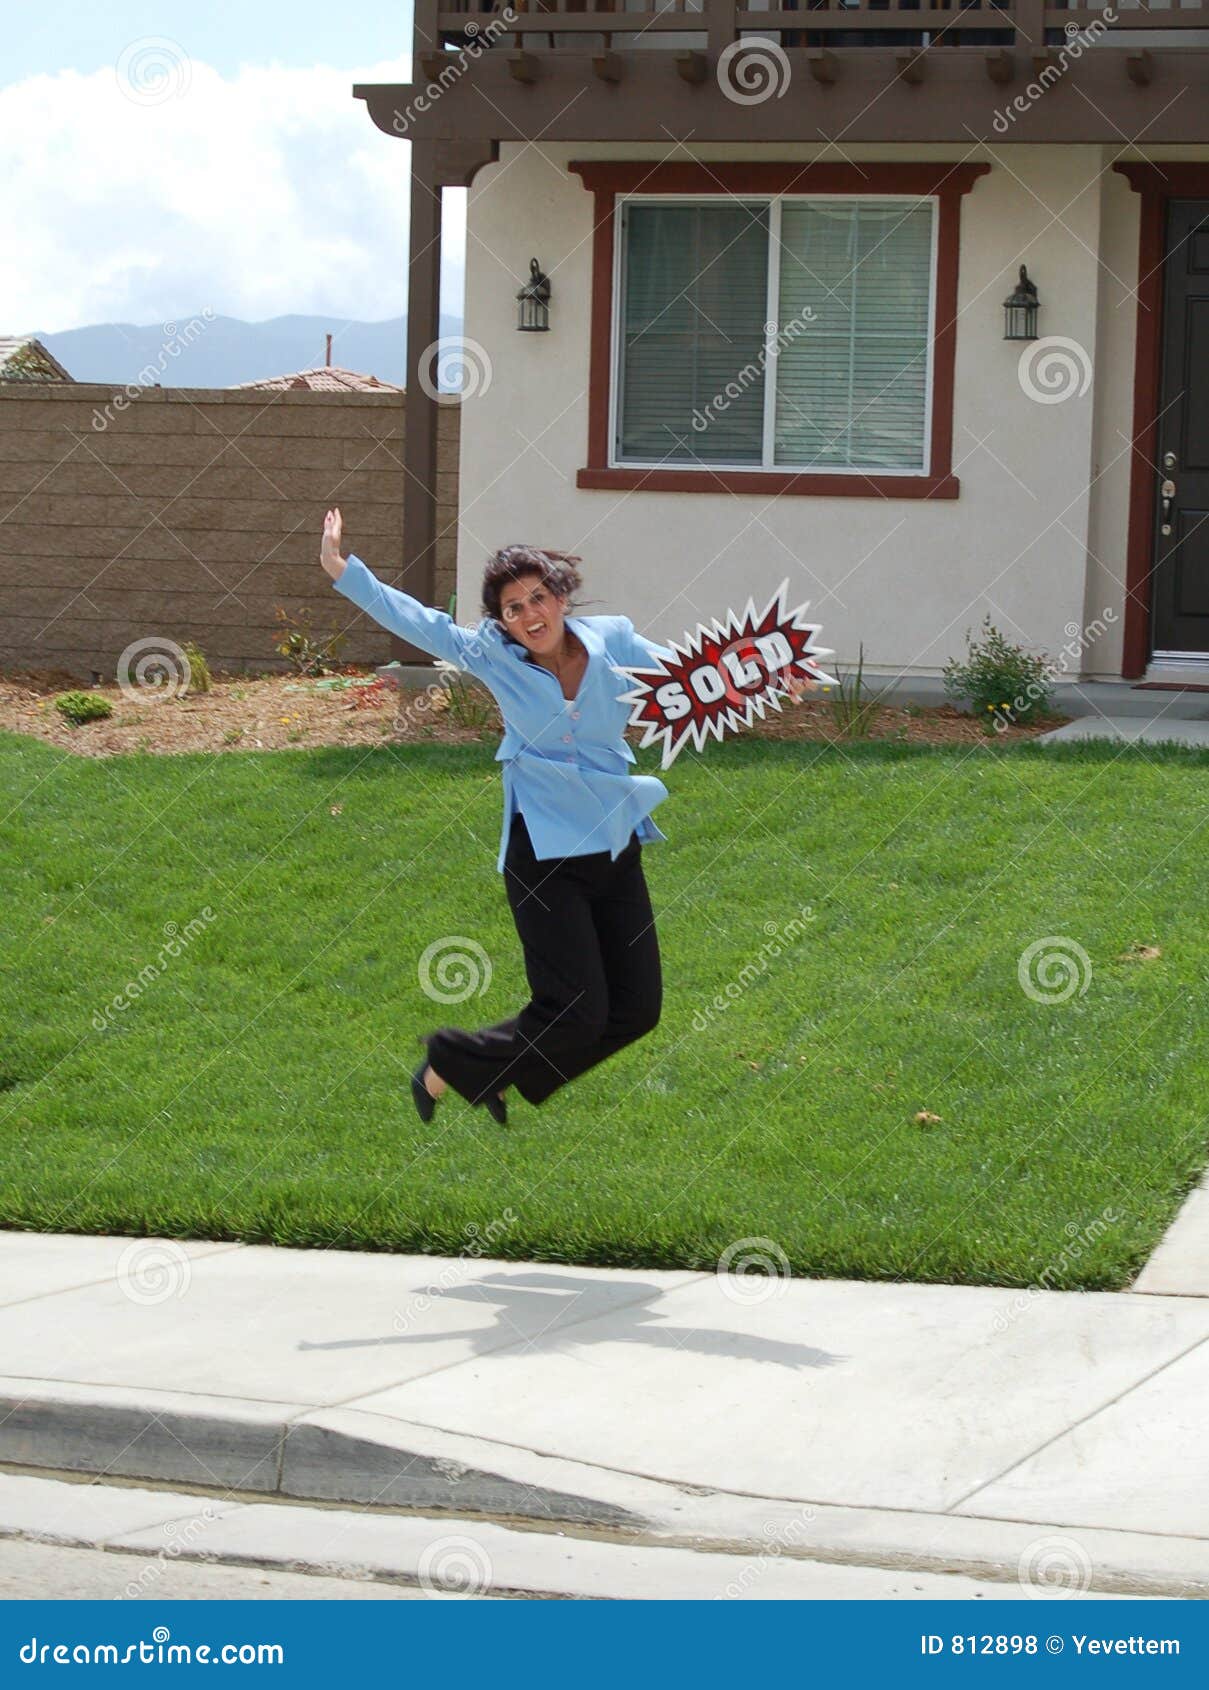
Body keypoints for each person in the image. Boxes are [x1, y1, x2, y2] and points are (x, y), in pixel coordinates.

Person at [318, 507, 675, 1126]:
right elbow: (422, 623)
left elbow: (688, 673)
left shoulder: (615, 639)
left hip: (614, 843)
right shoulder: (493, 655)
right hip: (543, 853)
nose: (530, 615)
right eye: (513, 608)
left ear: (560, 596)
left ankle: (490, 1073)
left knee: (637, 1011)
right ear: (502, 621)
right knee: (575, 1008)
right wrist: (344, 570)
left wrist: (770, 674)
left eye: (538, 598)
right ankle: (449, 1059)